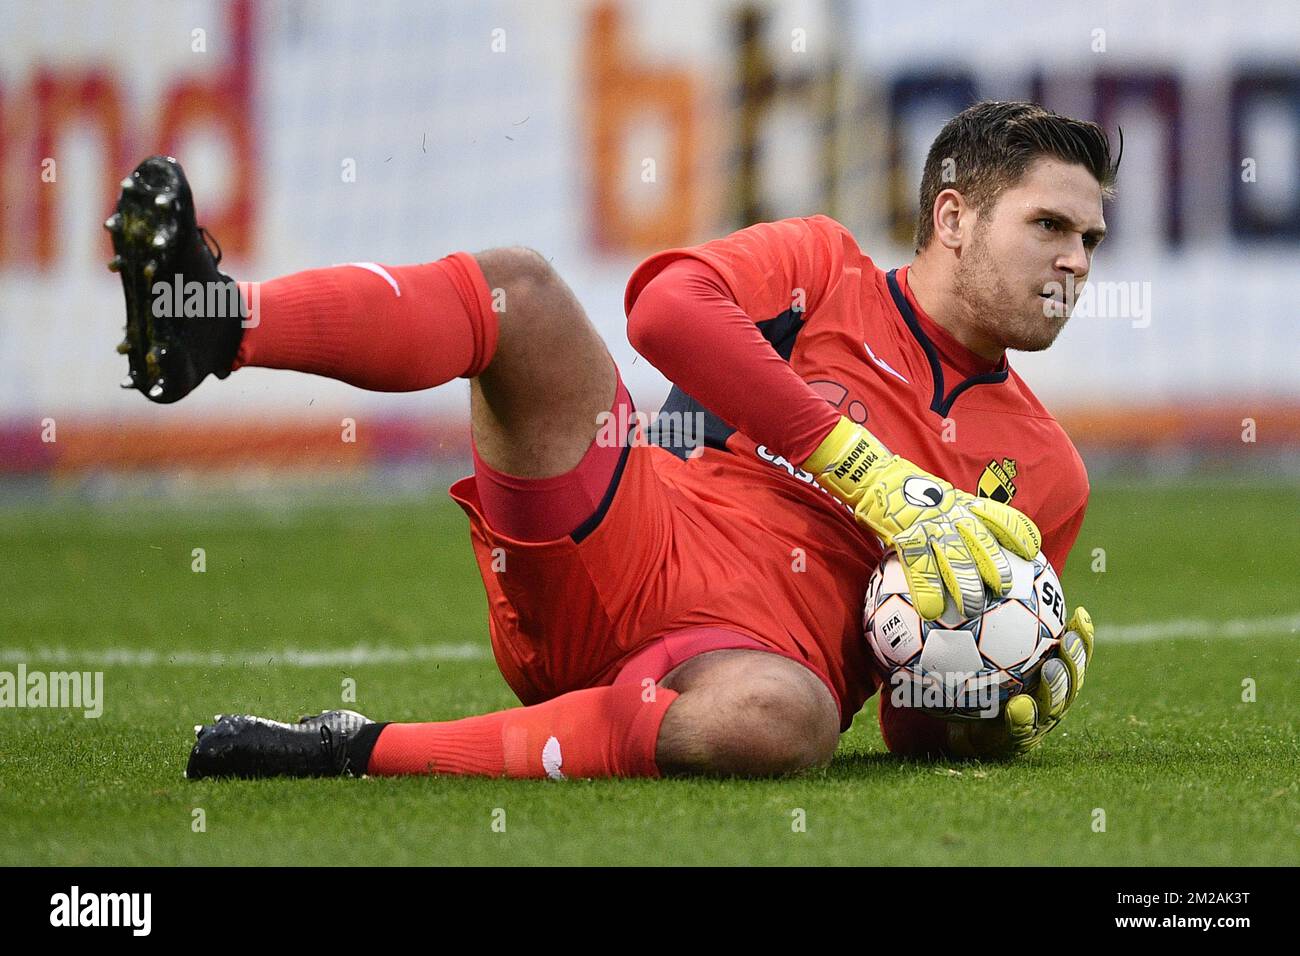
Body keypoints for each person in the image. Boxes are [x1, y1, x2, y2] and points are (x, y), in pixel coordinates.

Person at [105, 101, 1104, 780]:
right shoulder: (823, 269)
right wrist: (861, 467)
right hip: (629, 536)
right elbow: (662, 309)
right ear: (952, 217)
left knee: (782, 724)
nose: (1075, 262)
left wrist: (995, 694)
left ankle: (349, 749)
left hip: (749, 665)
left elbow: (908, 726)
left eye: (1090, 240)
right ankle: (214, 324)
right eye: (1050, 226)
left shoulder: (1050, 474)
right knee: (522, 292)